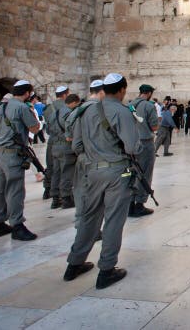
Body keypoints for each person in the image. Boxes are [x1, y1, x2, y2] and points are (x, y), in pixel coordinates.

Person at [64, 73, 139, 289]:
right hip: (117, 172)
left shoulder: (85, 110)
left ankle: (74, 264)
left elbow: (76, 145)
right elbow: (133, 147)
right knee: (114, 220)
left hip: (91, 172)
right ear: (122, 90)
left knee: (89, 217)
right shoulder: (122, 111)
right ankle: (106, 270)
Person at [0, 79, 40, 241]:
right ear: (27, 93)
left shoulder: (2, 107)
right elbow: (35, 128)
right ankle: (17, 225)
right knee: (15, 189)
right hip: (13, 153)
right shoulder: (22, 108)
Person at [65, 79, 104, 232]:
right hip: (96, 159)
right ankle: (91, 229)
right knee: (96, 195)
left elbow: (70, 139)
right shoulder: (100, 110)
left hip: (81, 157)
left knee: (81, 192)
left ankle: (81, 224)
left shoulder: (77, 111)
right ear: (102, 92)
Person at [129, 85, 158, 217]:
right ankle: (139, 205)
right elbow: (154, 126)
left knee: (131, 174)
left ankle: (129, 204)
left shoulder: (129, 105)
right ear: (149, 93)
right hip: (145, 144)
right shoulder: (149, 106)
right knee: (145, 173)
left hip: (131, 144)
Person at [44, 86, 72, 209]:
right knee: (66, 170)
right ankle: (66, 196)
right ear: (65, 94)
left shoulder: (48, 108)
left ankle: (52, 193)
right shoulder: (66, 108)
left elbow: (48, 129)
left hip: (53, 142)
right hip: (65, 142)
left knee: (54, 169)